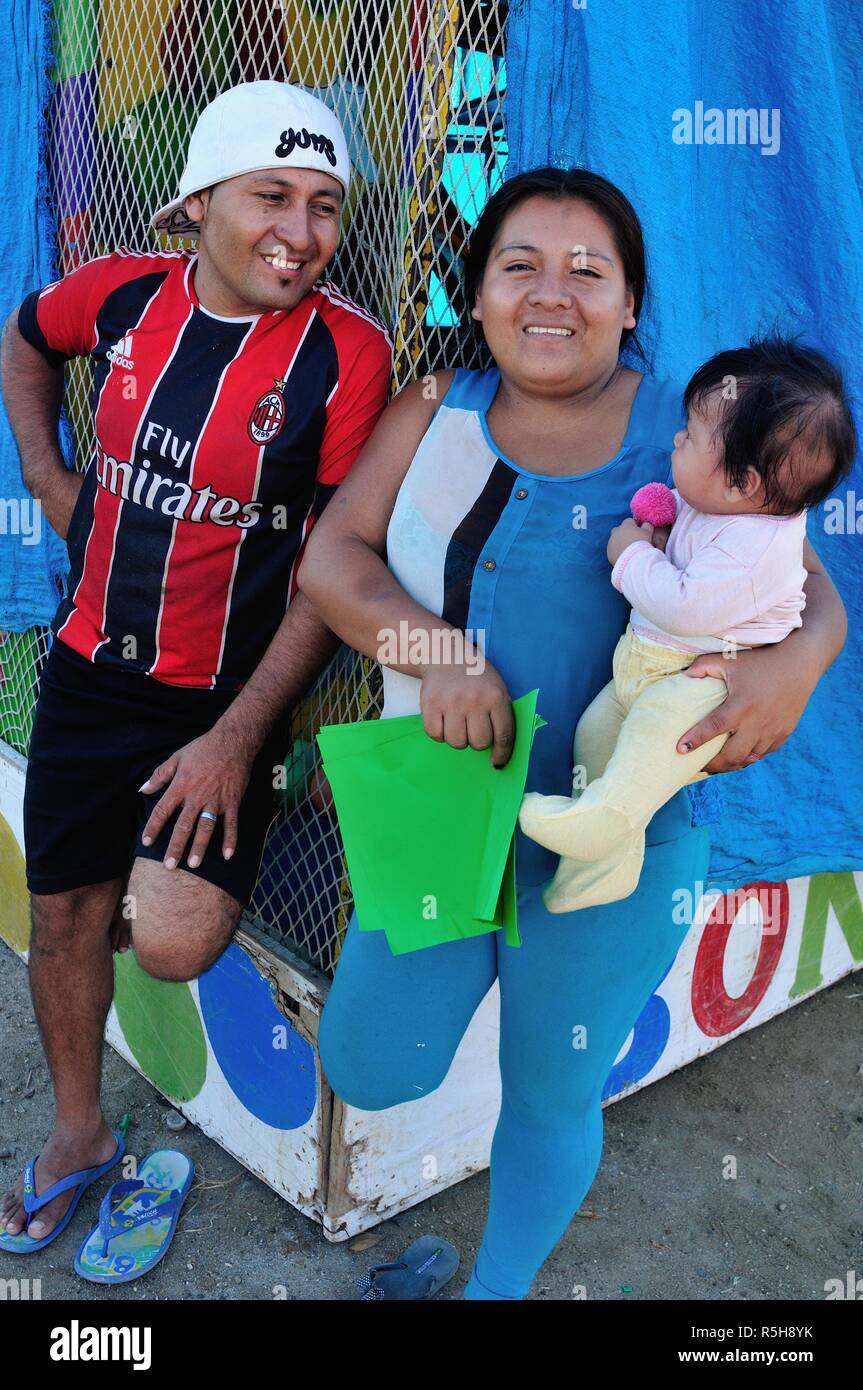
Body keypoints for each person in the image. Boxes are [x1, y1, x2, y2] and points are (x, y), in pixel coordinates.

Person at [297, 167, 848, 1300]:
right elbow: (330, 560)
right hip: (442, 814)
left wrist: (792, 668)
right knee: (366, 1057)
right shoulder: (432, 408)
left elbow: (804, 590)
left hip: (612, 836)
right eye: (519, 267)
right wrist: (436, 653)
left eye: (586, 271)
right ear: (481, 292)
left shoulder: (694, 433)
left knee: (550, 1088)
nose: (552, 294)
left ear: (631, 301)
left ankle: (494, 1295)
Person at [0, 80, 392, 1248]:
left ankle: (157, 863)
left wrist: (238, 737)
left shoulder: (346, 355)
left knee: (170, 940)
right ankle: (79, 1132)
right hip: (87, 664)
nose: (301, 230)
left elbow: (333, 563)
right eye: (272, 194)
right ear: (198, 202)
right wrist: (46, 475)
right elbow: (24, 340)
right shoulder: (120, 293)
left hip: (224, 696)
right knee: (61, 914)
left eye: (325, 205)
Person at [519, 336, 856, 912]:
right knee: (597, 738)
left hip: (697, 684)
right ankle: (599, 872)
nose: (677, 439)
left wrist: (629, 554)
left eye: (692, 437)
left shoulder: (756, 551)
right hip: (648, 663)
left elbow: (684, 606)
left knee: (652, 737)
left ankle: (602, 824)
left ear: (743, 482)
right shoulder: (732, 503)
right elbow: (688, 522)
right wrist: (665, 515)